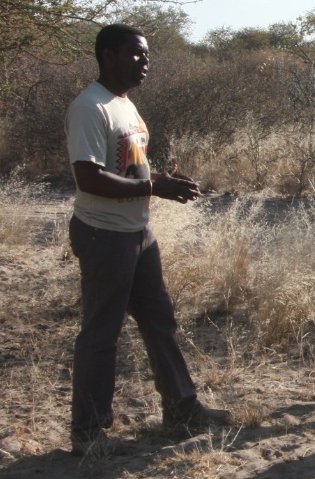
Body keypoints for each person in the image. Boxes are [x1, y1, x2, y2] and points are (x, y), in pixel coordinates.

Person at [65, 24, 230, 455]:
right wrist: (154, 189)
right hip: (104, 233)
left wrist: (159, 179)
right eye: (136, 54)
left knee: (159, 321)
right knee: (102, 332)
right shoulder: (90, 107)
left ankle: (181, 408)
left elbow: (127, 169)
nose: (145, 62)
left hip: (136, 232)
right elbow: (89, 177)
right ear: (108, 55)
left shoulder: (125, 105)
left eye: (146, 55)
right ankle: (88, 431)